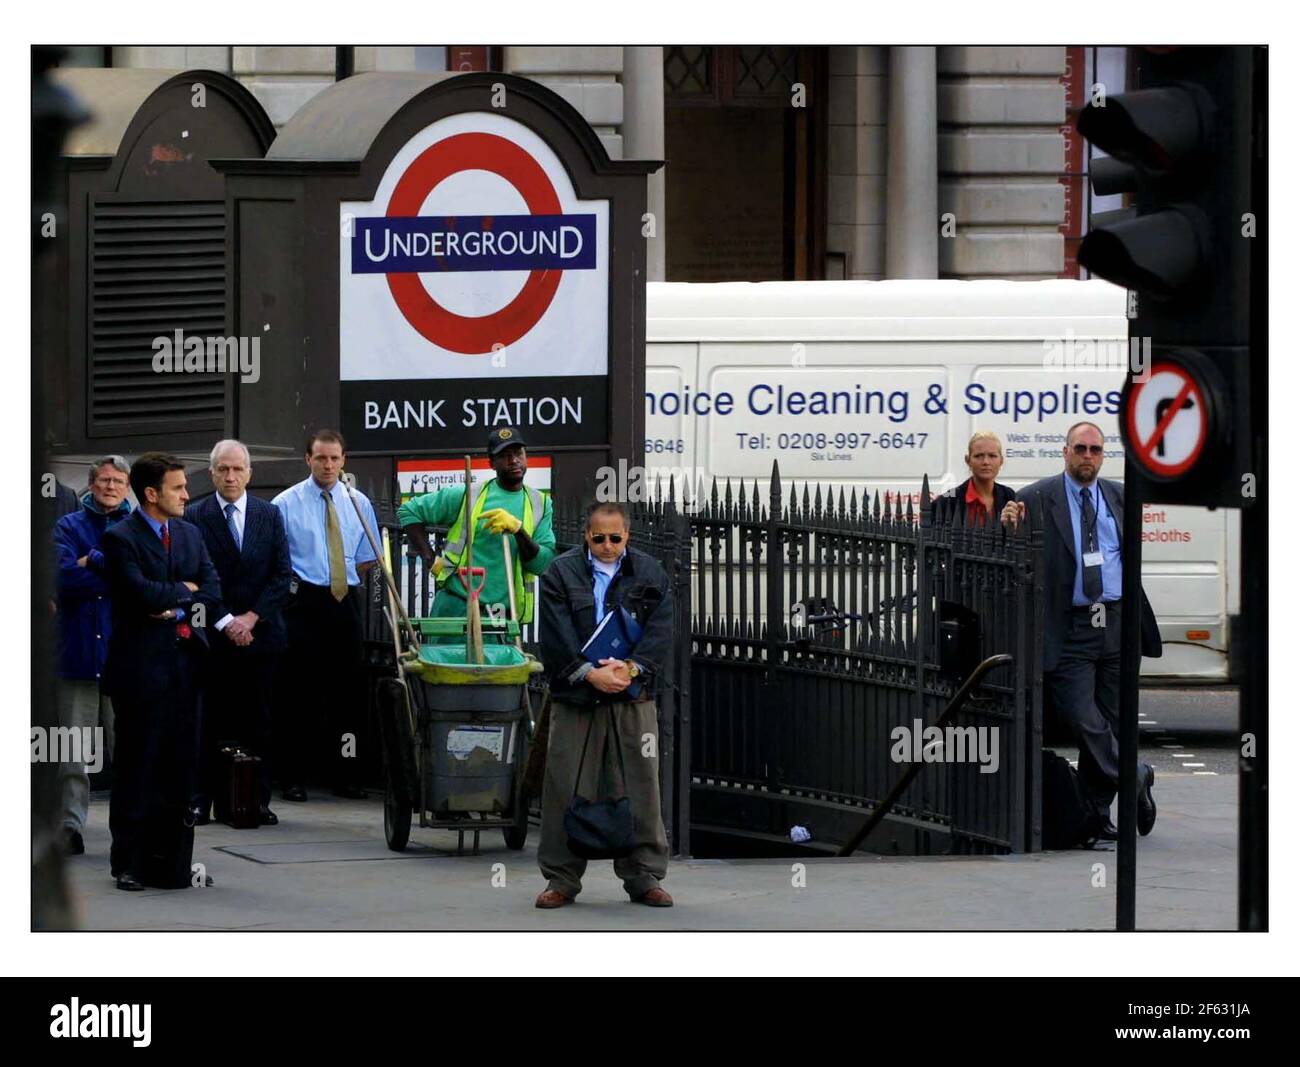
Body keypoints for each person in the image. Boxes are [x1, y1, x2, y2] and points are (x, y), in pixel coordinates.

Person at [1003, 421, 1162, 840]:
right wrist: (1008, 528)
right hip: (1071, 626)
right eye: (1080, 448)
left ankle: (1096, 816)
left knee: (1112, 720)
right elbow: (1013, 554)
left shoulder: (1118, 496)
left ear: (1102, 454)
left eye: (1094, 449)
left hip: (1114, 621)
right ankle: (1135, 776)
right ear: (1065, 451)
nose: (1087, 456)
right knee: (1081, 716)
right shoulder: (1036, 498)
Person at [535, 501, 674, 909]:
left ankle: (644, 876)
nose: (608, 545)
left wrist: (630, 669)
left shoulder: (650, 572)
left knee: (641, 783)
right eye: (599, 538)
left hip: (633, 694)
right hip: (577, 695)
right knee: (563, 782)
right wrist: (588, 673)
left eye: (616, 538)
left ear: (627, 535)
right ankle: (560, 878)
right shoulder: (561, 571)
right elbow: (555, 635)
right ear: (586, 535)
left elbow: (662, 628)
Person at [101, 453, 220, 890]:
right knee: (138, 768)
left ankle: (171, 863)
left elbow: (210, 590)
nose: (187, 494)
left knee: (179, 769)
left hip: (186, 671)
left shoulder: (190, 533)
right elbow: (137, 594)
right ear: (151, 494)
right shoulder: (121, 538)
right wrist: (178, 595)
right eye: (177, 488)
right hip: (139, 675)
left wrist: (172, 604)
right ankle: (129, 864)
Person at [185, 440, 292, 826]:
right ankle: (201, 800)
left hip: (262, 637)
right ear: (212, 472)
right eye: (223, 469)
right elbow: (194, 578)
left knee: (259, 721)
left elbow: (283, 575)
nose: (231, 476)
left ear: (250, 473)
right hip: (214, 639)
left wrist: (251, 618)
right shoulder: (195, 516)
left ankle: (256, 801)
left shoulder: (270, 514)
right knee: (208, 721)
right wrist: (226, 620)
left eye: (237, 469)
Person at [271, 429, 377, 802]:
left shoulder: (359, 502)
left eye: (334, 458)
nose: (328, 465)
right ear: (308, 459)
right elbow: (278, 560)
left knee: (347, 695)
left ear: (344, 460)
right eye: (321, 458)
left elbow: (367, 558)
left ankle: (346, 775)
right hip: (303, 603)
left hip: (343, 600)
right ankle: (293, 776)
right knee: (299, 694)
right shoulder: (285, 503)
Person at [397, 427, 556, 632]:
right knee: (446, 664)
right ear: (491, 463)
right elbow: (408, 511)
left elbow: (541, 564)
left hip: (502, 615)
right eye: (504, 455)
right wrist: (430, 559)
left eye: (518, 453)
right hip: (456, 605)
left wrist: (519, 530)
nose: (513, 460)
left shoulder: (540, 504)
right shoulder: (469, 495)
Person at [52, 455, 132, 855]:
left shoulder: (138, 526)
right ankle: (70, 825)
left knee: (129, 750)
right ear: (91, 484)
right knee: (71, 751)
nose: (110, 486)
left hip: (124, 656)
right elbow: (62, 578)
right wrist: (109, 565)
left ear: (128, 485)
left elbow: (140, 580)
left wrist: (91, 560)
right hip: (78, 654)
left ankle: (132, 827)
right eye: (103, 480)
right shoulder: (68, 525)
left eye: (118, 480)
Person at [934, 431, 1017, 525]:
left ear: (1001, 461)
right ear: (968, 460)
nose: (986, 462)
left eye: (992, 456)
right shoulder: (945, 501)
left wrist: (1013, 527)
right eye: (978, 456)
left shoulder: (1009, 496)